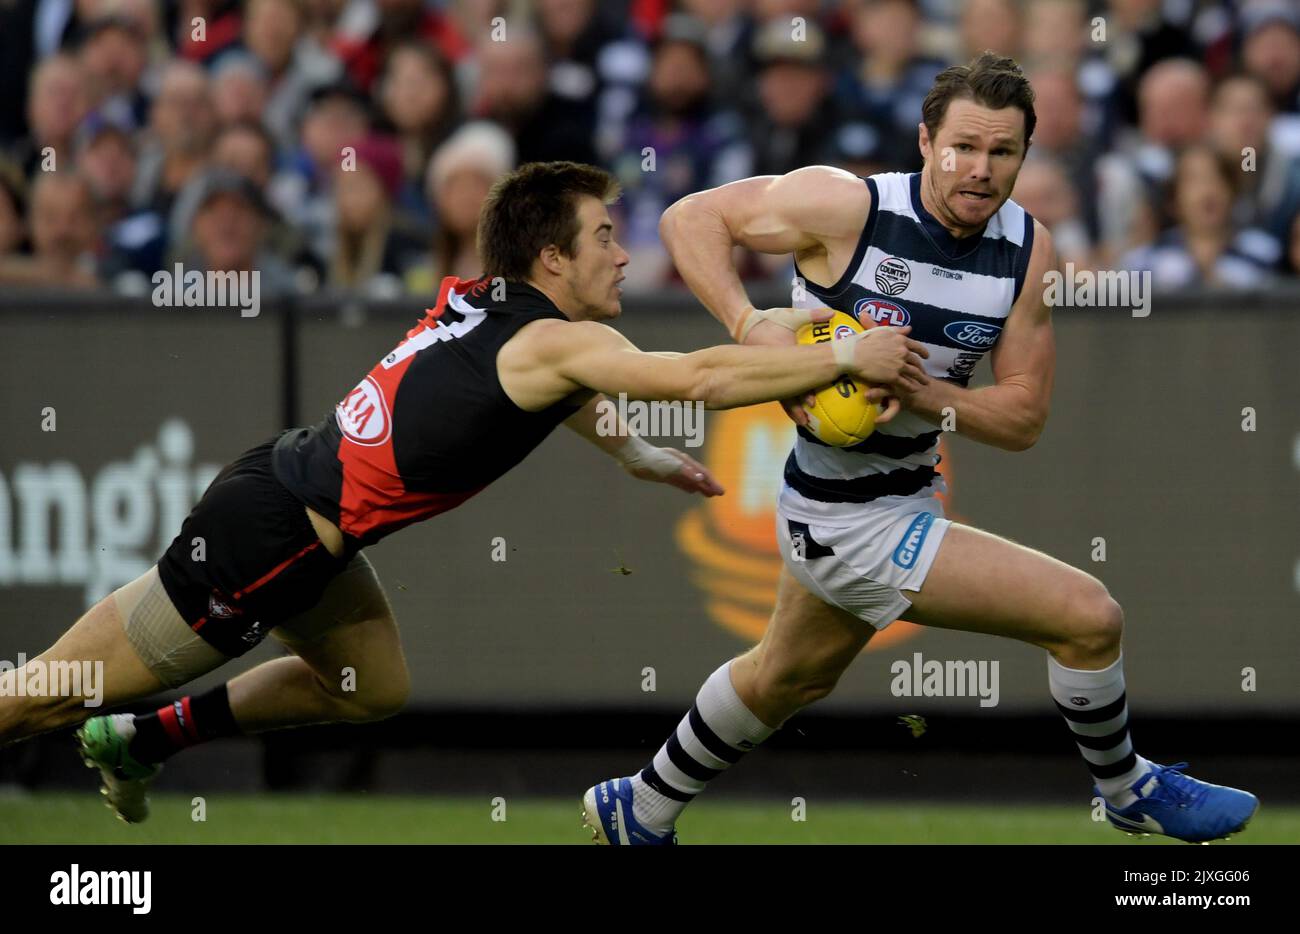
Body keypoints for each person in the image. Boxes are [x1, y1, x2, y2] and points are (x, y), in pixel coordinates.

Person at [0, 161, 928, 825]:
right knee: (47, 695)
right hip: (267, 538)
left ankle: (145, 740)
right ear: (552, 261)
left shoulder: (498, 306)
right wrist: (845, 352)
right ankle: (118, 728)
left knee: (368, 689)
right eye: (604, 236)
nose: (623, 254)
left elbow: (545, 389)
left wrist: (631, 454)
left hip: (294, 511)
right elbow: (695, 378)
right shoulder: (555, 341)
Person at [583, 53, 1259, 846]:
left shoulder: (1026, 251)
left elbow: (1022, 419)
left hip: (900, 491)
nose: (980, 169)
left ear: (1023, 157)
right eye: (963, 147)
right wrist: (750, 325)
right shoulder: (847, 207)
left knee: (787, 676)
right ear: (925, 140)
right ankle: (1126, 787)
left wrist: (920, 390)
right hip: (844, 514)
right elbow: (688, 218)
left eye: (1002, 152)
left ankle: (643, 806)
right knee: (1088, 618)